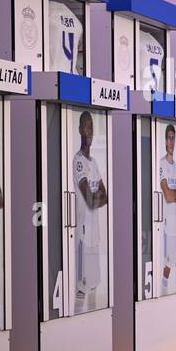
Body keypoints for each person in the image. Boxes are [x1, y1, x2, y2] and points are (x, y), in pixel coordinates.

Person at [73, 110, 108, 311]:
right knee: (82, 288)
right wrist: (97, 197)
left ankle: (94, 325)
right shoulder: (78, 161)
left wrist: (97, 198)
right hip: (83, 237)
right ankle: (76, 323)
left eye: (92, 127)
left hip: (95, 237)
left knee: (95, 286)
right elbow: (91, 199)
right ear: (79, 130)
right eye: (86, 127)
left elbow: (106, 197)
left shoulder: (93, 163)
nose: (89, 131)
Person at [158, 123, 176, 293]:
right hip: (168, 227)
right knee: (168, 266)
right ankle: (163, 294)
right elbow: (168, 195)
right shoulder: (162, 164)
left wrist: (174, 193)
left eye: (173, 138)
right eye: (169, 137)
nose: (171, 141)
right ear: (165, 140)